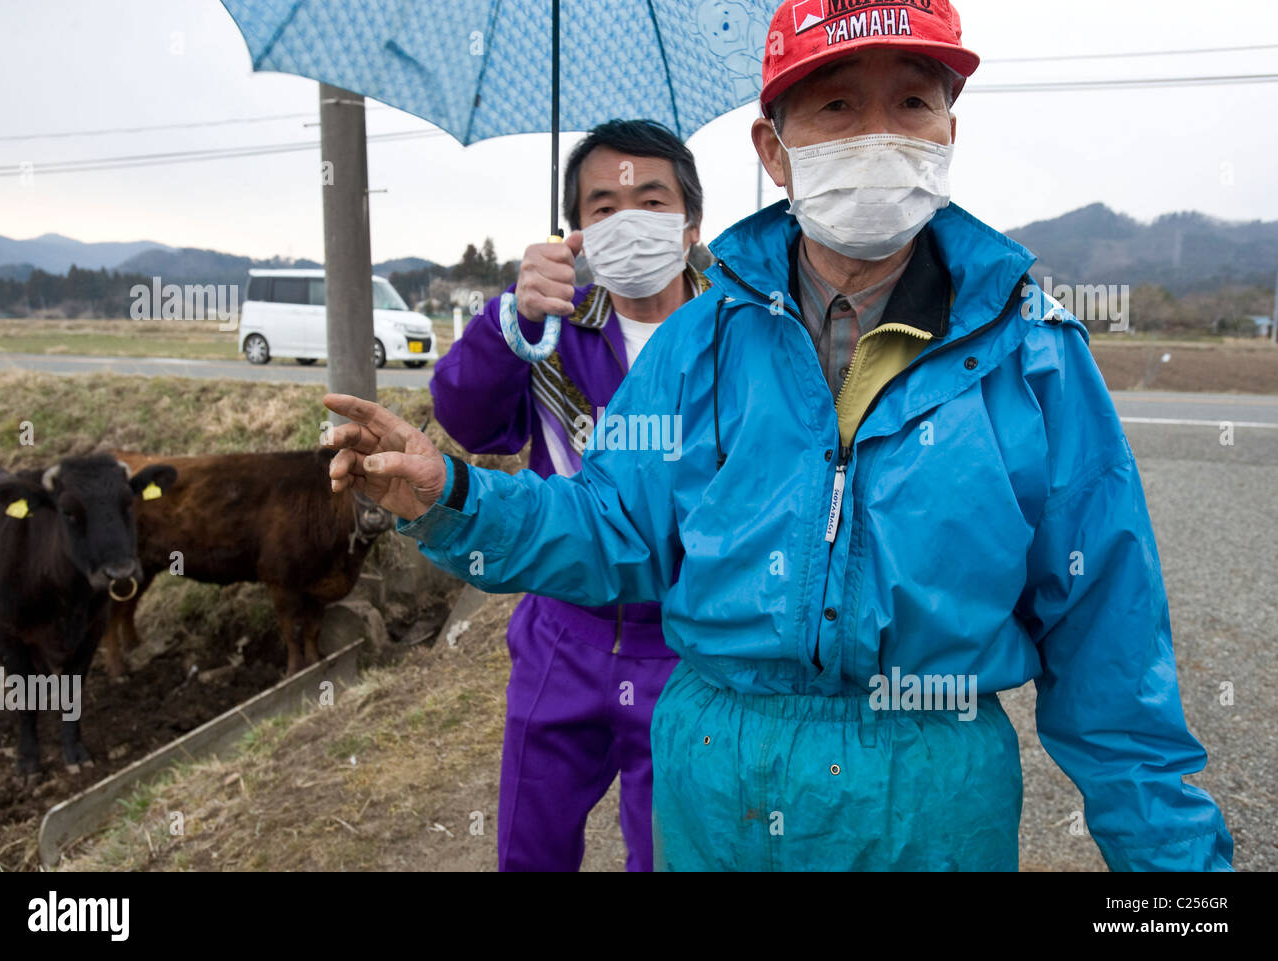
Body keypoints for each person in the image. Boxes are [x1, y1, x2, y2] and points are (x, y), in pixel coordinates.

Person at [325, 0, 1233, 871]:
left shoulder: (1033, 351)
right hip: (716, 790)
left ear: (949, 131)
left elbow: (1110, 648)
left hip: (929, 804)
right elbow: (611, 526)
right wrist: (453, 496)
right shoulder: (701, 340)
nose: (878, 134)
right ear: (775, 149)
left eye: (912, 101)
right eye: (837, 104)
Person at [428, 119, 705, 871]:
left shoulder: (732, 333)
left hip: (689, 649)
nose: (629, 222)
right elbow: (467, 420)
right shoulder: (549, 329)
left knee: (673, 852)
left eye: (651, 201)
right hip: (562, 633)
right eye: (603, 208)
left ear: (690, 224)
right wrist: (508, 321)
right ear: (574, 231)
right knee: (530, 847)